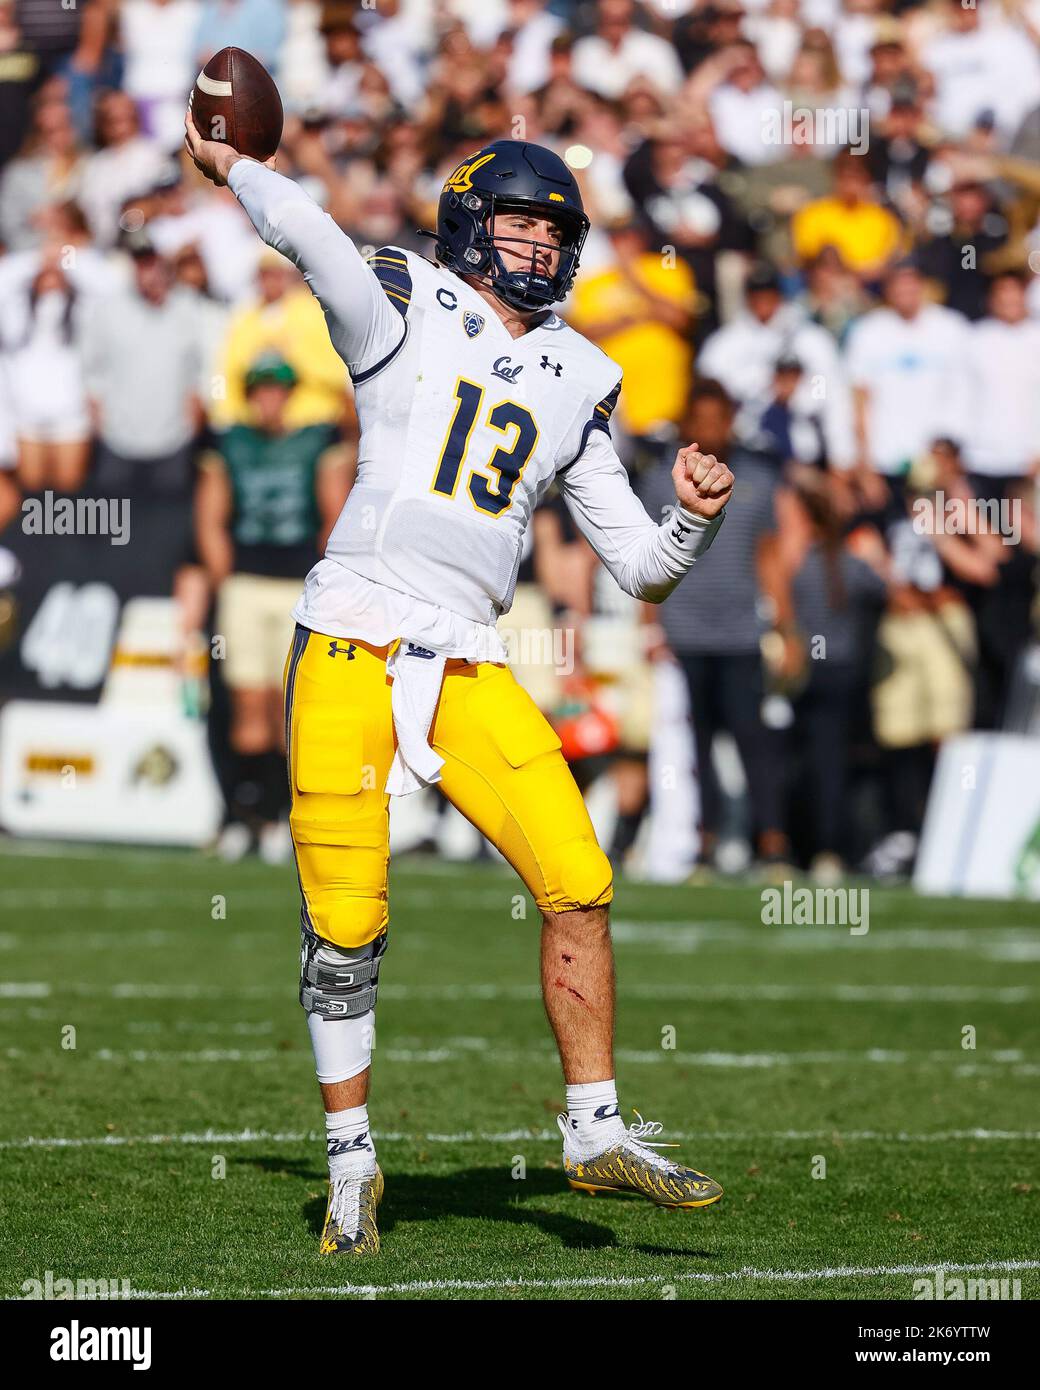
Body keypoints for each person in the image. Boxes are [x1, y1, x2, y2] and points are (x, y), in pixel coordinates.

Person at [185, 113, 733, 1255]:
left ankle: (591, 1132)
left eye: (554, 233)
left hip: (467, 652)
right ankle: (351, 1166)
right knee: (345, 923)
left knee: (577, 878)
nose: (539, 250)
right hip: (348, 630)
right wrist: (235, 163)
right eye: (521, 226)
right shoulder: (402, 302)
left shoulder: (581, 371)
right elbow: (312, 237)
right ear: (468, 226)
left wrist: (689, 513)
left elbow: (640, 569)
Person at [195, 353, 351, 863]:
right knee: (248, 709)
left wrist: (323, 584)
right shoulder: (229, 444)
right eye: (261, 388)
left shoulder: (316, 441)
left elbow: (331, 514)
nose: (269, 397)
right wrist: (228, 582)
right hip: (246, 582)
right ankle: (250, 814)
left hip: (295, 587)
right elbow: (212, 518)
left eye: (277, 388)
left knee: (290, 711)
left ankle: (285, 817)